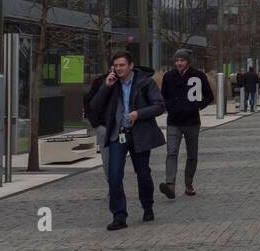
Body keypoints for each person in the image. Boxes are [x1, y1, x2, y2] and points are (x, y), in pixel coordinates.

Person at [86, 51, 165, 231]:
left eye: (122, 65)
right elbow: (94, 106)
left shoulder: (145, 82)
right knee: (114, 175)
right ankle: (119, 215)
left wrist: (138, 113)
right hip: (117, 134)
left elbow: (159, 106)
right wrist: (106, 86)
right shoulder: (109, 82)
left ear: (130, 65)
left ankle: (147, 206)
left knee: (143, 173)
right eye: (116, 65)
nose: (118, 68)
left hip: (139, 134)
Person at [159, 49, 213, 199]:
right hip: (174, 121)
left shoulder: (198, 76)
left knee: (192, 154)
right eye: (176, 60)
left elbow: (209, 96)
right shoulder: (168, 76)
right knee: (172, 152)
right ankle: (170, 184)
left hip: (192, 122)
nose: (179, 63)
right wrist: (170, 106)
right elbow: (163, 97)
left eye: (182, 60)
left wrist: (198, 106)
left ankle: (188, 184)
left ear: (188, 61)